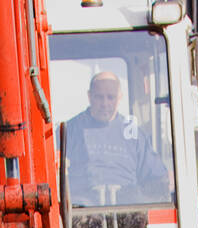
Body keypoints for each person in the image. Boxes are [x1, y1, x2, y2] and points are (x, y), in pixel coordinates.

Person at [64, 70, 170, 208]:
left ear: (119, 97)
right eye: (99, 97)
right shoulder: (70, 131)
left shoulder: (133, 134)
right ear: (89, 96)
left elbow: (157, 177)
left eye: (110, 97)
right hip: (81, 212)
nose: (105, 103)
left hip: (129, 212)